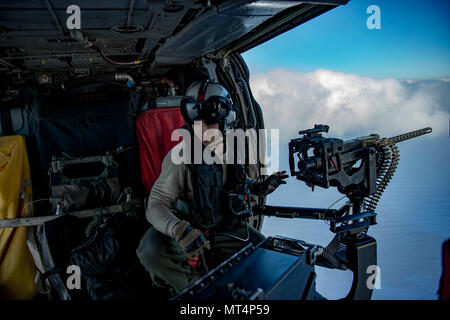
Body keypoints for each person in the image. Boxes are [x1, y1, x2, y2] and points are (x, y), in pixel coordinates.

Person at [136, 81, 288, 296]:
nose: (204, 132)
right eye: (198, 124)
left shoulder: (232, 150)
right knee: (150, 250)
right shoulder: (180, 156)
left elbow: (240, 182)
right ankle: (196, 291)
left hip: (226, 226)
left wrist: (261, 187)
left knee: (271, 259)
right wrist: (179, 230)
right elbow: (156, 204)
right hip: (189, 226)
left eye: (210, 124)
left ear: (226, 122)